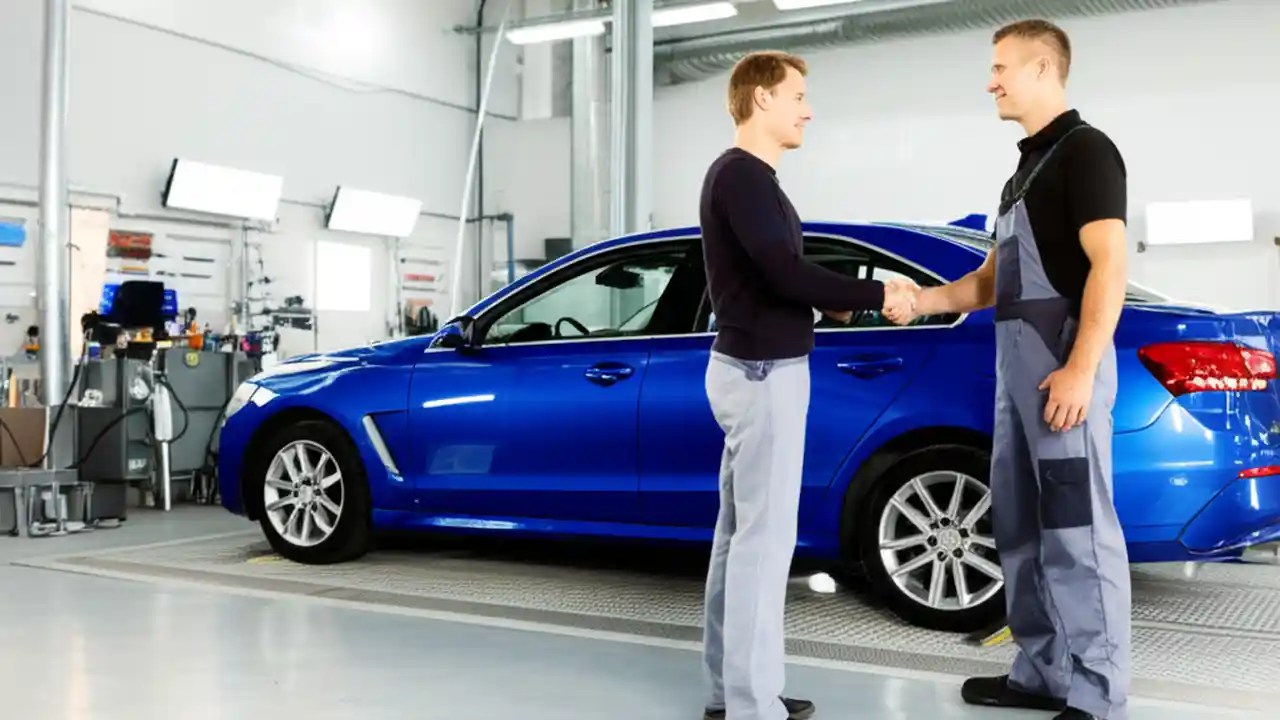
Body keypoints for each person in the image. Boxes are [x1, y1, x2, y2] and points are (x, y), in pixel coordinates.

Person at [887, 18, 1131, 720]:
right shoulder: (1024, 171)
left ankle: (1099, 693)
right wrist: (919, 300)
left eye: (1001, 67)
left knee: (1078, 534)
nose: (991, 81)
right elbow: (990, 282)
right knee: (1020, 528)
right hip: (1016, 380)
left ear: (1044, 68)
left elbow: (1110, 266)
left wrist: (1081, 367)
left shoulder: (1087, 152)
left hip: (1061, 376)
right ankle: (1041, 673)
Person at [698, 50, 916, 720]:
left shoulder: (746, 178)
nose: (808, 110)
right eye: (797, 96)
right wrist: (877, 293)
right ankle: (751, 704)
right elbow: (782, 272)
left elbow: (770, 273)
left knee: (740, 539)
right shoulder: (744, 176)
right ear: (762, 98)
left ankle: (735, 691)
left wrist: (832, 301)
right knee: (763, 546)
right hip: (763, 373)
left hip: (750, 366)